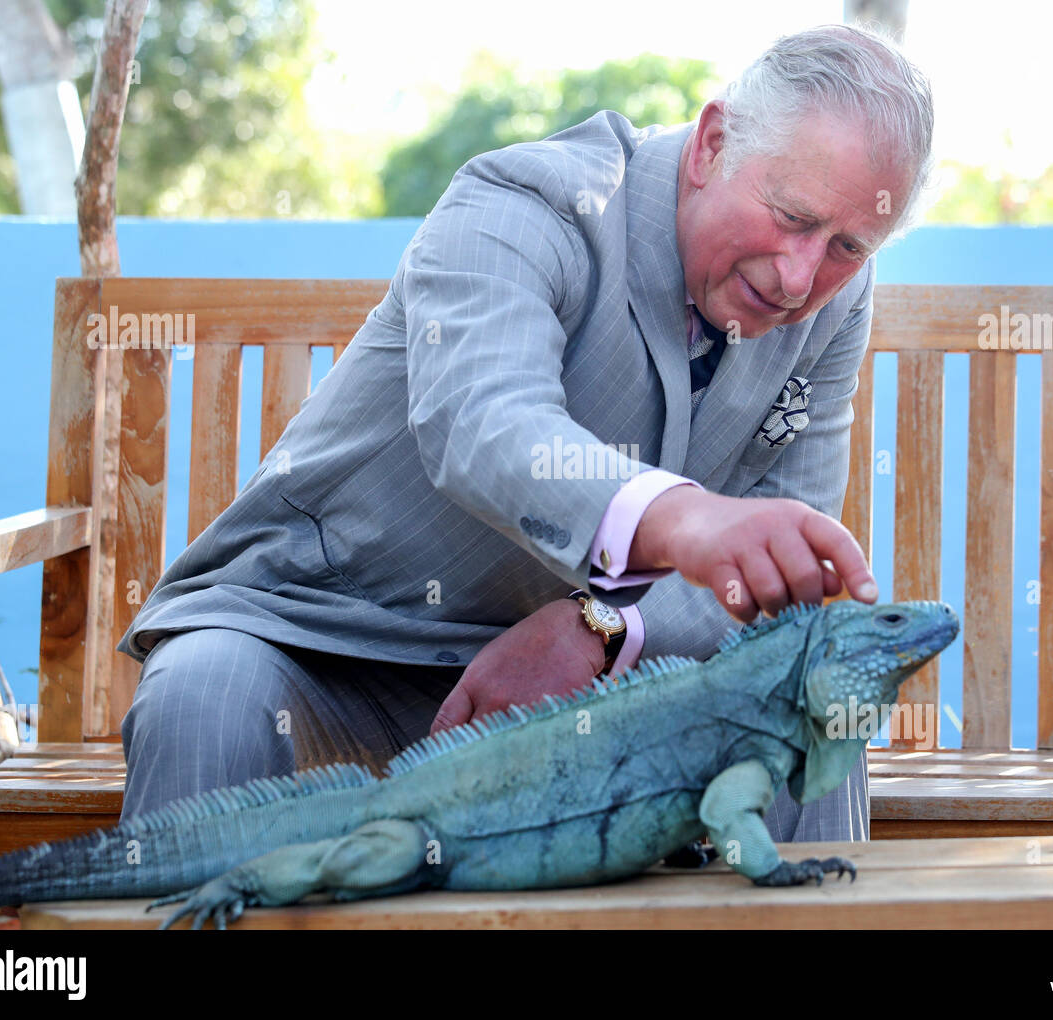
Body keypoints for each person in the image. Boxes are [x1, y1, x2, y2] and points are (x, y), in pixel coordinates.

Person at [115, 23, 934, 846]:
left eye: (847, 246)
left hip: (583, 693)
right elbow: (484, 422)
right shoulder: (525, 201)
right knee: (202, 698)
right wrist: (685, 520)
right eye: (790, 216)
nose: (800, 278)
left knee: (812, 714)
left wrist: (603, 629)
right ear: (712, 144)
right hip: (321, 645)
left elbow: (777, 570)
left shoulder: (838, 302)